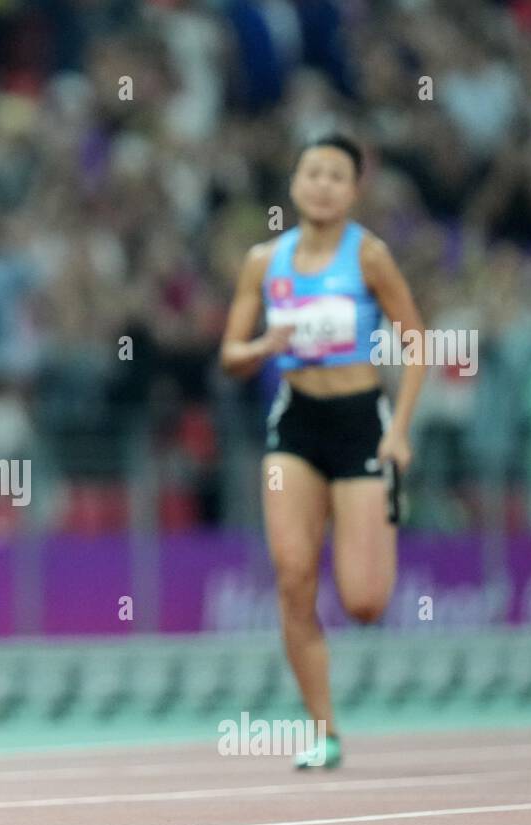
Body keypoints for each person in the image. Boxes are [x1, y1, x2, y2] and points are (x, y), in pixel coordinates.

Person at [220, 134, 427, 769]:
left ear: (353, 190)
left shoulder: (370, 257)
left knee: (364, 600)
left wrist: (399, 431)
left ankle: (377, 507)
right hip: (297, 423)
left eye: (337, 176)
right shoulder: (264, 261)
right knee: (293, 574)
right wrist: (263, 346)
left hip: (361, 422)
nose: (323, 185)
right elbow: (229, 355)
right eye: (313, 172)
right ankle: (324, 730)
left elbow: (416, 342)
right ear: (294, 183)